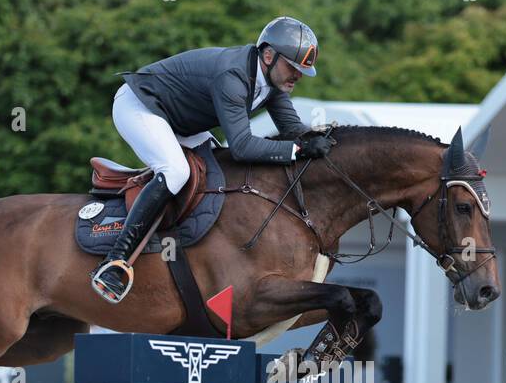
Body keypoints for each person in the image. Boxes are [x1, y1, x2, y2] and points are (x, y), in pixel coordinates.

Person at [91, 16, 328, 303]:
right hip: (141, 106)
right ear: (268, 55)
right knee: (176, 171)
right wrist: (299, 151)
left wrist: (323, 139)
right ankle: (116, 262)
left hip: (179, 120)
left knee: (219, 168)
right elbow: (242, 146)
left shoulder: (271, 82)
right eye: (293, 67)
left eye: (302, 70)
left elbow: (294, 130)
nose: (298, 75)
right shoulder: (233, 76)